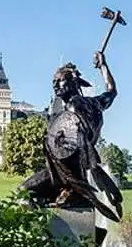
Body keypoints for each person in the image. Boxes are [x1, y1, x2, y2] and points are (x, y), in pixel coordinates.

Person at [21, 51, 123, 222]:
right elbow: (112, 91)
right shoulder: (94, 103)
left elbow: (80, 143)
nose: (55, 85)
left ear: (74, 82)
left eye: (59, 80)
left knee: (22, 193)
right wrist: (103, 66)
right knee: (35, 196)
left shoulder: (74, 106)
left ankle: (47, 229)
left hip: (67, 174)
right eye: (53, 82)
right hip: (69, 173)